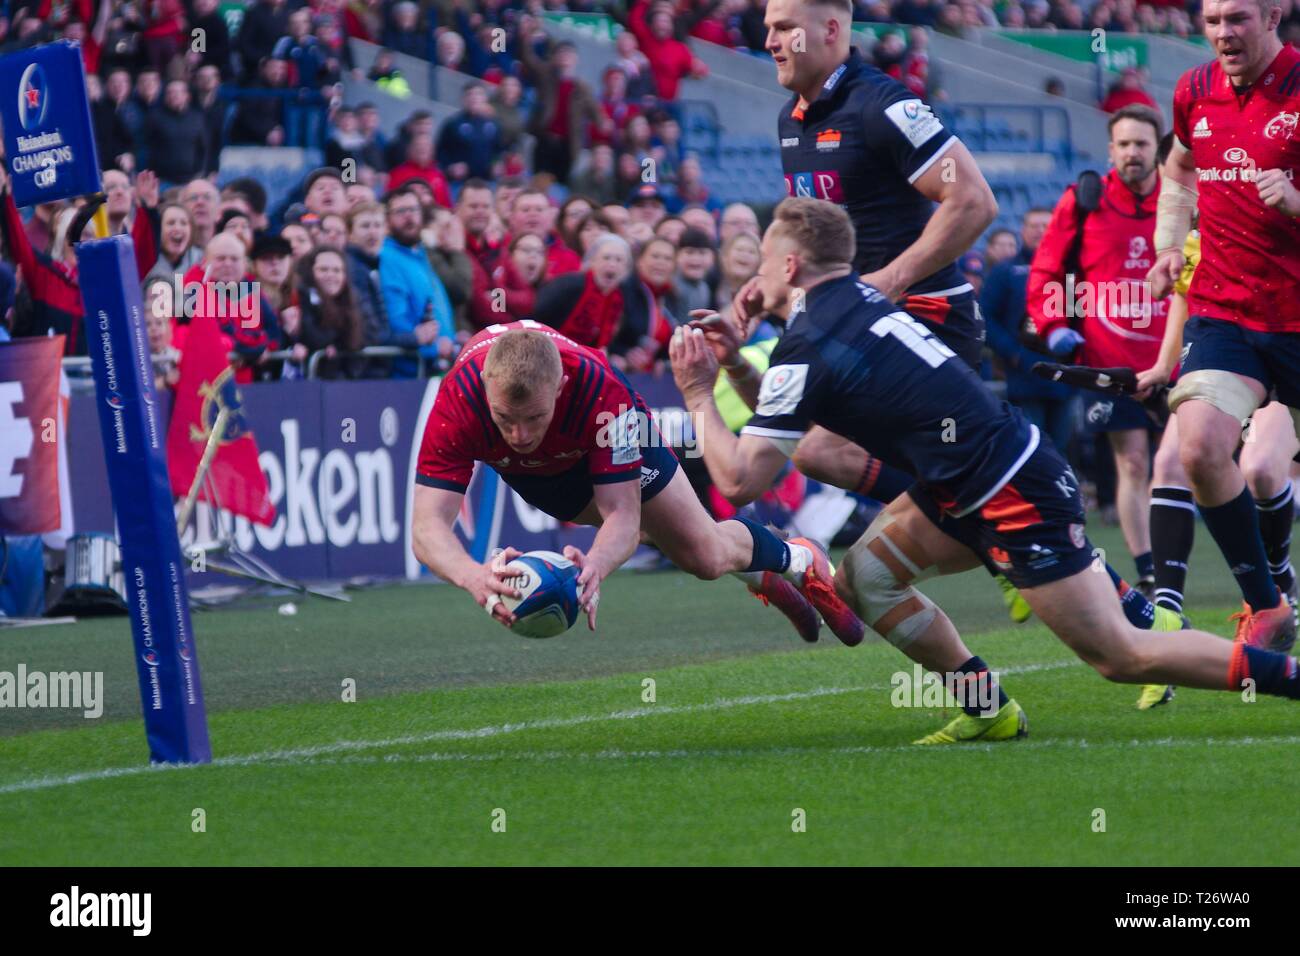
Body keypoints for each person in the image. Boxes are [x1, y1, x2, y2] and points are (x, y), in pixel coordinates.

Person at [670, 197, 1300, 744]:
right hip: (967, 482)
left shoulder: (809, 341)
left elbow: (738, 480)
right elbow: (788, 419)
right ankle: (987, 709)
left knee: (1121, 657)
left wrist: (698, 392)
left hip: (1008, 491)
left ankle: (1287, 678)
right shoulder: (849, 304)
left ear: (788, 266)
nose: (753, 278)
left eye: (762, 262)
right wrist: (733, 368)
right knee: (864, 577)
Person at [410, 321, 862, 644]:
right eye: (505, 419)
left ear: (561, 386)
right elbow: (427, 529)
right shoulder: (459, 399)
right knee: (662, 536)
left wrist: (594, 568)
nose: (520, 435)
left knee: (702, 554)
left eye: (535, 418)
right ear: (487, 386)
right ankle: (762, 569)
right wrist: (476, 578)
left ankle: (797, 557)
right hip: (540, 473)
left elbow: (621, 514)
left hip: (599, 437)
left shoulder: (599, 391)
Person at [1145, 0, 1300, 651]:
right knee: (1200, 446)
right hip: (1224, 310)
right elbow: (1179, 168)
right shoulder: (1194, 89)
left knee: (1264, 468)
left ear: (1275, 14)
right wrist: (1167, 242)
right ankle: (1268, 604)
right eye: (1211, 19)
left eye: (1237, 18)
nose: (1221, 33)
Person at [1028, 105, 1171, 605]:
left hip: (1179, 356)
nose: (1133, 153)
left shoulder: (1181, 201)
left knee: (1184, 461)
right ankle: (1151, 573)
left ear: (1159, 149)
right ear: (1111, 150)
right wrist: (1053, 326)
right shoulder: (1083, 200)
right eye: (1124, 145)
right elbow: (1046, 268)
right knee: (1133, 462)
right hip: (1112, 363)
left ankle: (1186, 559)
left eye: (1142, 144)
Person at [1138, 229, 1300, 622]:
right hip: (1229, 349)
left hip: (1286, 348)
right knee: (1174, 461)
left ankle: (1276, 574)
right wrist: (1163, 368)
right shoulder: (1207, 221)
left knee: (1260, 471)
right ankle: (1167, 614)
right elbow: (1183, 294)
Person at [980, 208, 1075, 454]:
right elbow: (986, 318)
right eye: (1034, 226)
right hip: (1025, 376)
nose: (1040, 231)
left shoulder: (1071, 268)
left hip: (1066, 378)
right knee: (1030, 450)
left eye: (1046, 225)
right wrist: (1013, 353)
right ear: (1023, 230)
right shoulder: (1005, 272)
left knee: (1062, 450)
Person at [380, 186, 455, 376]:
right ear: (387, 220)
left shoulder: (420, 254)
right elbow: (397, 321)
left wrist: (452, 339)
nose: (408, 216)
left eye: (413, 210)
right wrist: (434, 347)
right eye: (400, 212)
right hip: (410, 374)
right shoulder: (387, 257)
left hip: (436, 367)